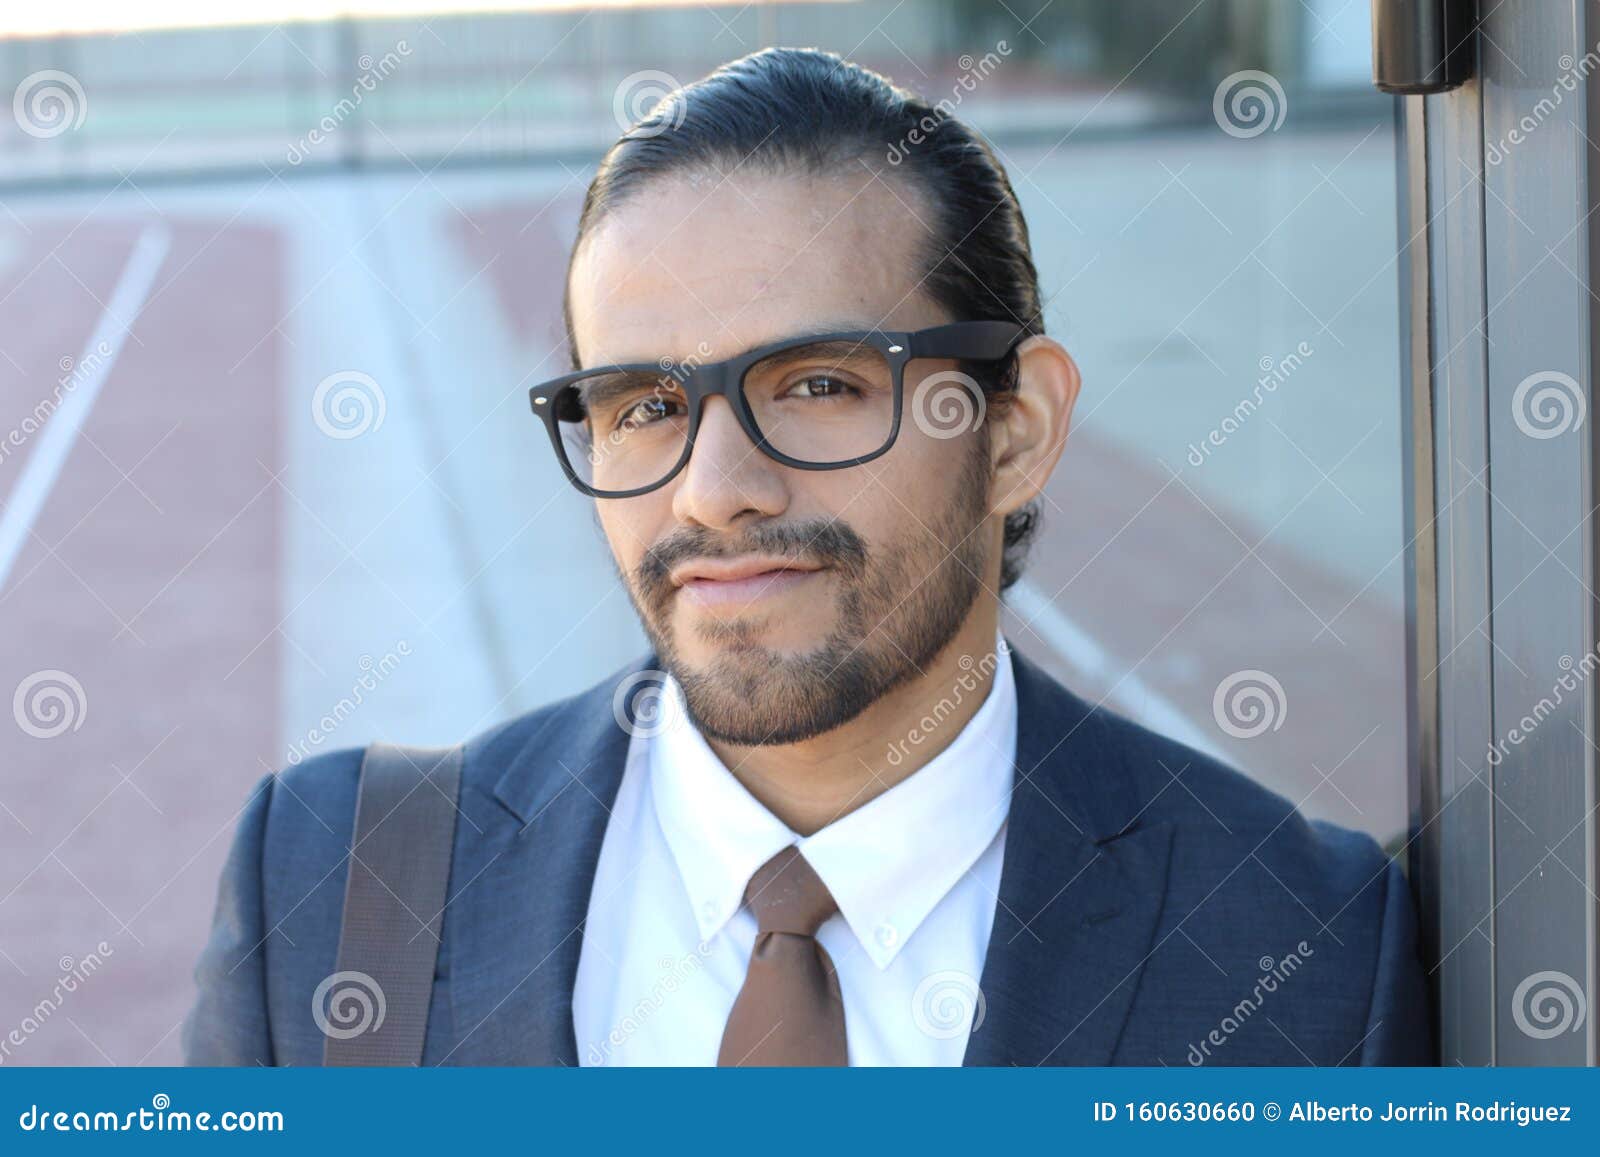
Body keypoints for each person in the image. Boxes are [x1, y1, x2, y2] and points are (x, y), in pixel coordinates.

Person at [183, 46, 1433, 1067]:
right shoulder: (339, 890)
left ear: (1015, 430)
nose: (714, 490)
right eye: (644, 405)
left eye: (820, 384)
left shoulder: (1297, 943)